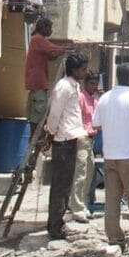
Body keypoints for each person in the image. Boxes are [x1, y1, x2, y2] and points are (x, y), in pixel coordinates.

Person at [95, 62, 129, 253]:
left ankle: (115, 239)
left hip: (110, 155)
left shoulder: (105, 98)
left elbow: (96, 125)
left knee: (112, 199)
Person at [40, 52, 89, 241]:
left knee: (66, 185)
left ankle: (57, 223)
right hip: (63, 140)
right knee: (61, 186)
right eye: (82, 69)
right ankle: (55, 226)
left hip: (70, 138)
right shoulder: (64, 87)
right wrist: (50, 133)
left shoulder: (73, 86)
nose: (84, 73)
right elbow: (55, 114)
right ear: (75, 70)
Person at [71, 68, 101, 221]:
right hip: (82, 138)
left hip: (91, 140)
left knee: (89, 174)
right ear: (85, 83)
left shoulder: (94, 99)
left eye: (96, 84)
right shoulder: (81, 97)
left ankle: (83, 205)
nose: (94, 86)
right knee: (80, 175)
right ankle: (76, 208)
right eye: (92, 84)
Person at [24, 18, 61, 128]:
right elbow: (53, 49)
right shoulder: (38, 39)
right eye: (49, 27)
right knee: (38, 117)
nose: (51, 30)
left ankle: (34, 141)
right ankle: (35, 141)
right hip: (38, 83)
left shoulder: (37, 40)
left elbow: (51, 55)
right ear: (43, 28)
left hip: (36, 84)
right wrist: (66, 49)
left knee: (36, 118)